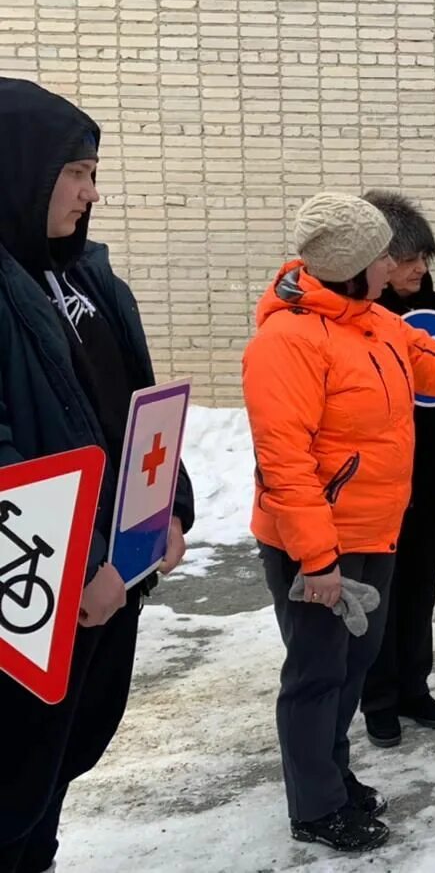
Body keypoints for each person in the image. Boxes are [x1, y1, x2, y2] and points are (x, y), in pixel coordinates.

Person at [242, 192, 435, 853]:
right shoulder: (286, 342)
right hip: (316, 543)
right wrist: (317, 561)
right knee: (317, 673)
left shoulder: (374, 322)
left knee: (352, 665)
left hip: (374, 531)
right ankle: (314, 808)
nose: (395, 267)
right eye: (384, 257)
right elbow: (284, 461)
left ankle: (334, 776)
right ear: (351, 265)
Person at [0, 78, 195, 873]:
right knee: (12, 786)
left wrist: (169, 505)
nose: (92, 192)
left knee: (61, 766)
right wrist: (78, 569)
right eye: (76, 172)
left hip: (113, 580)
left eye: (92, 172)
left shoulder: (87, 276)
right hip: (36, 594)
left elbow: (134, 404)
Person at [357, 190, 435, 747]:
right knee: (378, 592)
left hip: (428, 476)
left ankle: (413, 686)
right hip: (376, 485)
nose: (419, 268)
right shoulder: (360, 316)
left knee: (419, 589)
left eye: (424, 257)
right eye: (407, 259)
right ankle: (377, 698)